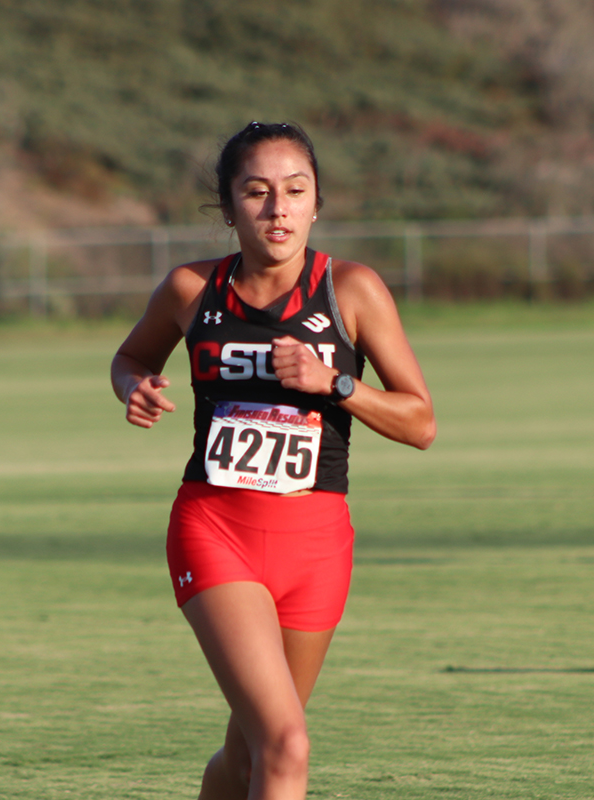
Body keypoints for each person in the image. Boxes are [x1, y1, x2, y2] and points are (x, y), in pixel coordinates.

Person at [111, 122, 436, 800]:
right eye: (256, 193)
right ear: (228, 209)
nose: (277, 208)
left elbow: (421, 422)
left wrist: (337, 383)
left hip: (316, 546)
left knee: (249, 755)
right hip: (216, 529)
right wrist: (133, 388)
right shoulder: (190, 289)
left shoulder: (352, 290)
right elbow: (131, 357)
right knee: (286, 746)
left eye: (295, 191)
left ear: (317, 202)